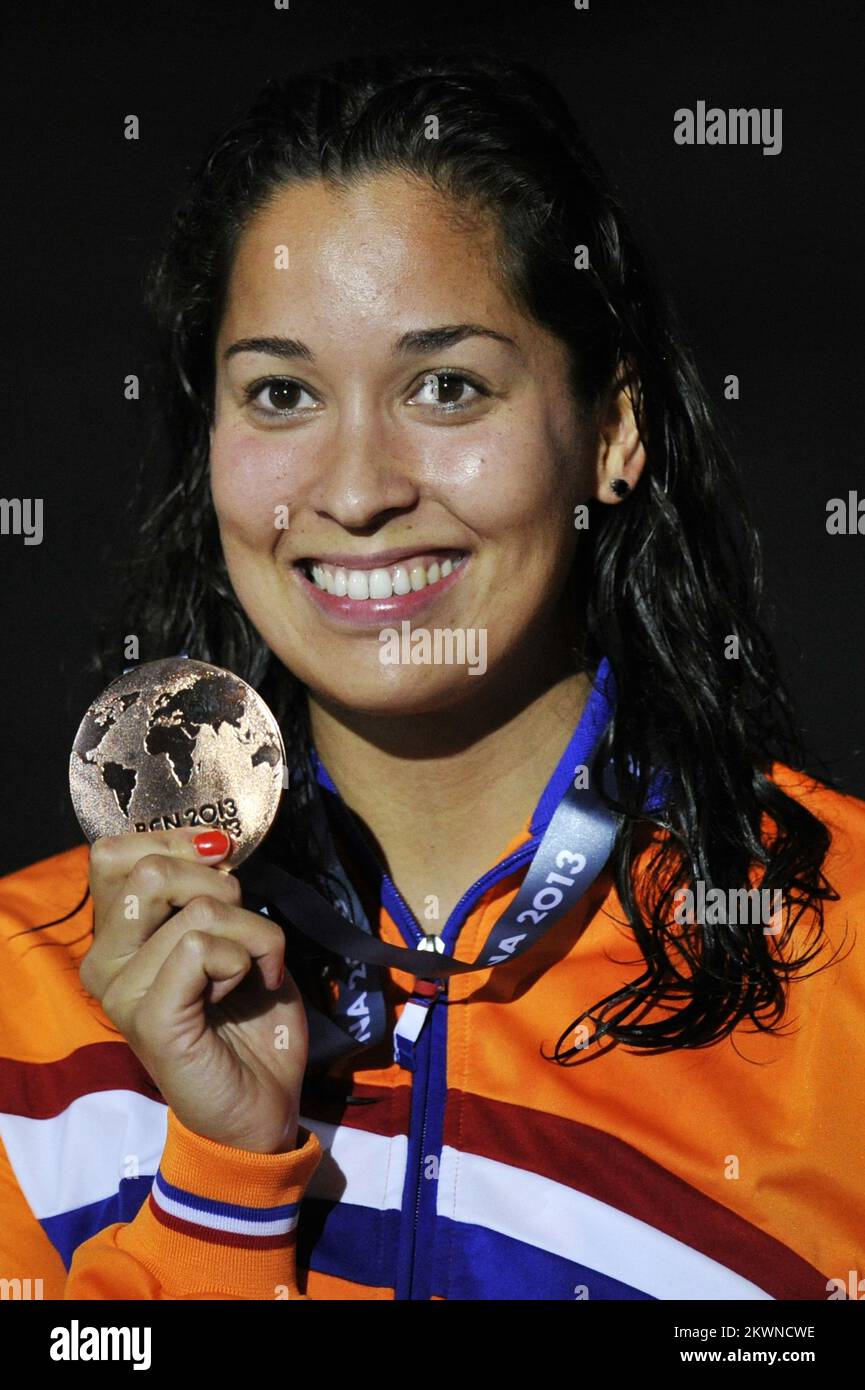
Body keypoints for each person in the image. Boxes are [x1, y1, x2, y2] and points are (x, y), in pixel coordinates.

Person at [1, 46, 863, 1303]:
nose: (354, 491)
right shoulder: (28, 986)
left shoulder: (840, 955)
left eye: (446, 386)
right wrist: (220, 1189)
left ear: (612, 428)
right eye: (283, 392)